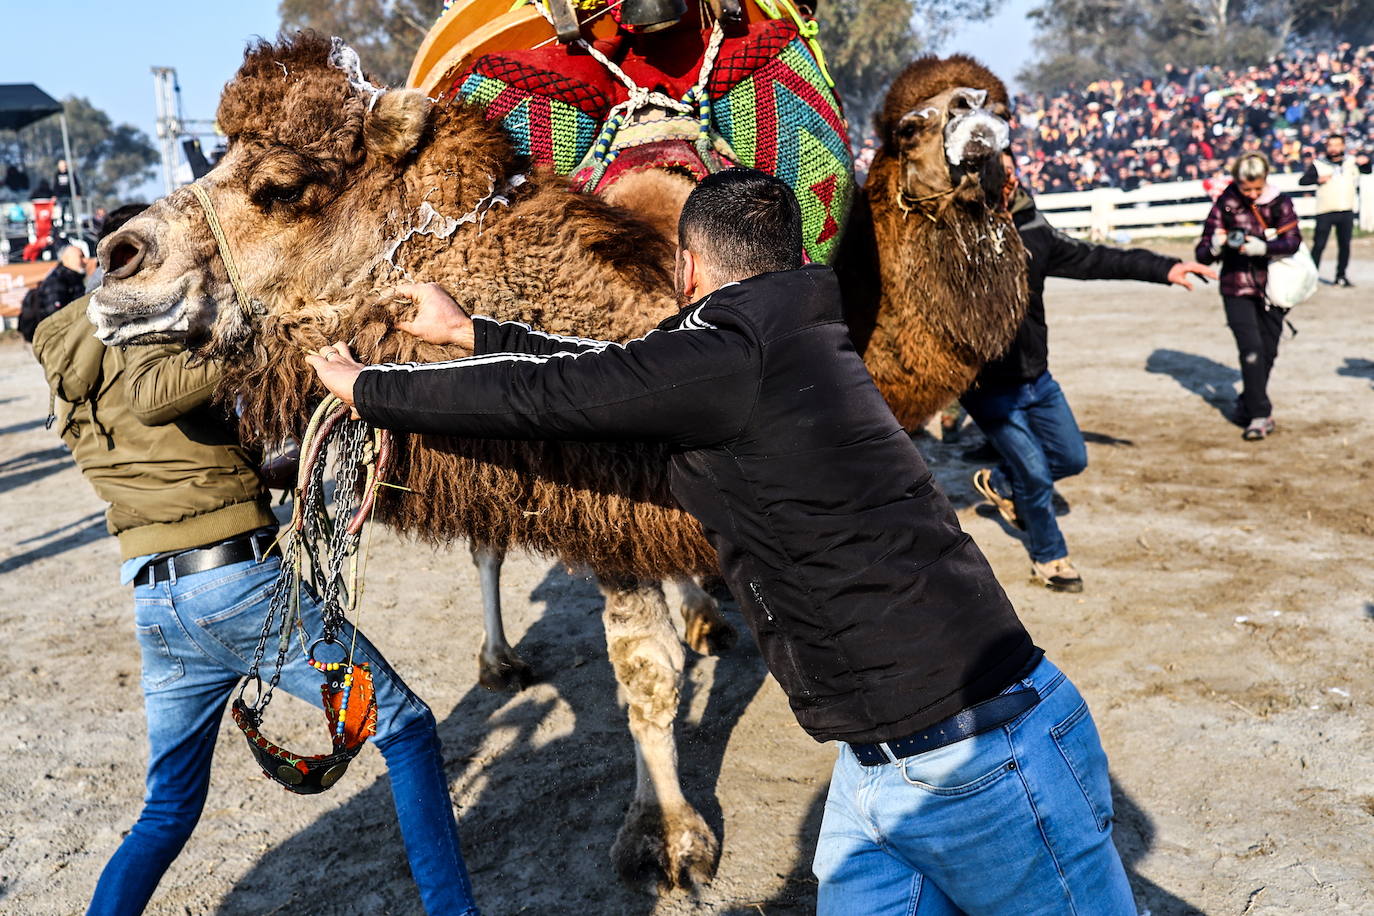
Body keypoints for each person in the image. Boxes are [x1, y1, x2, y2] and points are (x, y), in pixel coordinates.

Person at [306, 169, 1137, 914]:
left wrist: (366, 387)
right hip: (885, 764)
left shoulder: (733, 361)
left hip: (979, 759)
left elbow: (551, 396)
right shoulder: (791, 335)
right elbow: (613, 367)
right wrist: (469, 334)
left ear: (688, 267)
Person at [31, 206, 481, 916]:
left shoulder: (70, 366)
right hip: (239, 591)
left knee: (166, 813)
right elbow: (158, 400)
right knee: (402, 725)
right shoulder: (147, 326)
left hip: (160, 608)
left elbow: (166, 466)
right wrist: (254, 332)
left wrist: (258, 471)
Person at [964, 152, 1215, 592]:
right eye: (999, 172)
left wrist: (1163, 268)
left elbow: (1094, 259)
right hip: (988, 387)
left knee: (1070, 458)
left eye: (1011, 168)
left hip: (1036, 378)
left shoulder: (1032, 228)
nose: (1010, 178)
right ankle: (1051, 559)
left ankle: (1000, 481)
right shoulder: (955, 235)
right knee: (1036, 476)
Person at [1196, 152, 1301, 441]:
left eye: (1257, 188)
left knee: (1267, 351)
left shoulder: (1281, 201)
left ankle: (1246, 403)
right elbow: (1201, 253)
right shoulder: (1225, 203)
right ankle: (1260, 414)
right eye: (1246, 189)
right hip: (1236, 286)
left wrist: (1264, 247)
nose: (1252, 194)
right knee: (1251, 349)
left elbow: (1293, 241)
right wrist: (1216, 246)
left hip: (1274, 289)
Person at [1299, 132, 1371, 285]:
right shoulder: (1319, 164)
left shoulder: (1351, 162)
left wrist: (1365, 160)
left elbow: (1367, 169)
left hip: (1346, 209)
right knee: (1319, 245)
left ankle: (1341, 275)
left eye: (1337, 145)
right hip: (1325, 210)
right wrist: (1318, 179)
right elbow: (1303, 180)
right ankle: (1311, 276)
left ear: (1343, 146)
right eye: (1331, 145)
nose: (1334, 149)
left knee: (1344, 245)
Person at [18, 242, 88, 342]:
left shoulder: (74, 278)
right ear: (67, 259)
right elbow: (55, 316)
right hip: (60, 340)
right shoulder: (57, 281)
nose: (85, 261)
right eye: (81, 257)